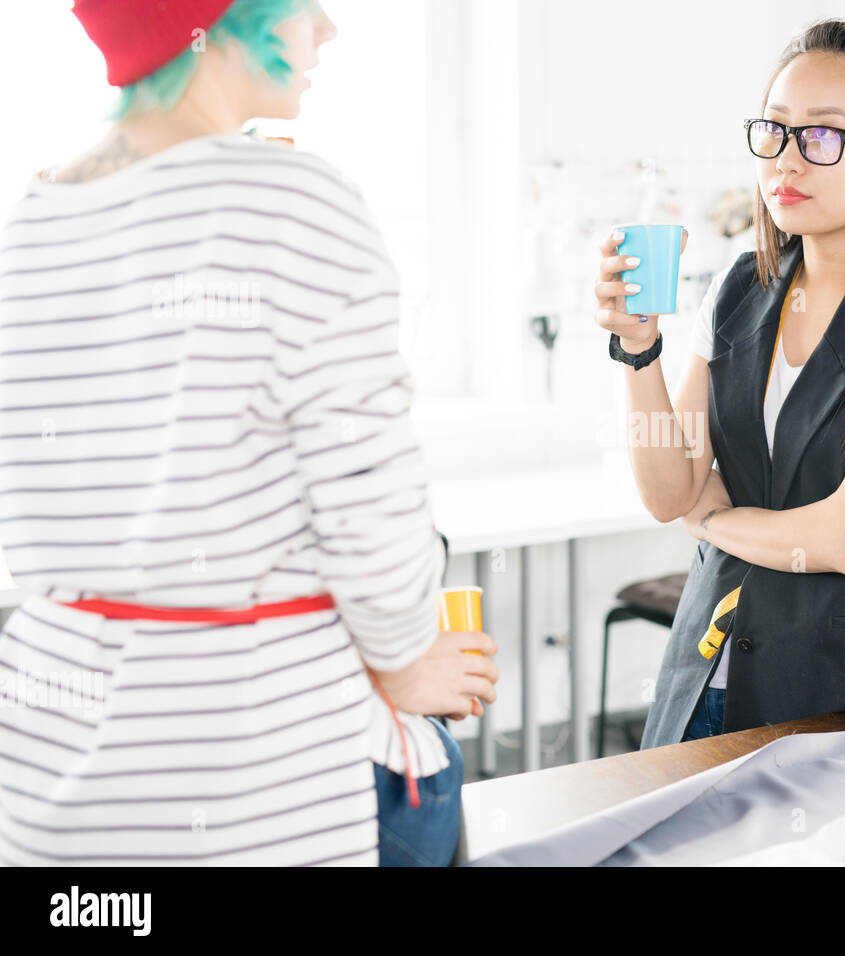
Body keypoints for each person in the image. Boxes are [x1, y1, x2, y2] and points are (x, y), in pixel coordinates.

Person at [0, 0, 496, 865]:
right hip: (252, 776)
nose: (328, 28)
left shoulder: (31, 221)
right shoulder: (294, 200)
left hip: (52, 773)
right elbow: (371, 513)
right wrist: (405, 659)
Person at [593, 16, 845, 748]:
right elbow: (668, 493)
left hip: (839, 702)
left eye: (822, 135)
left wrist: (713, 522)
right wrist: (638, 349)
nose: (787, 159)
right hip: (700, 679)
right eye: (775, 129)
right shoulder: (738, 288)